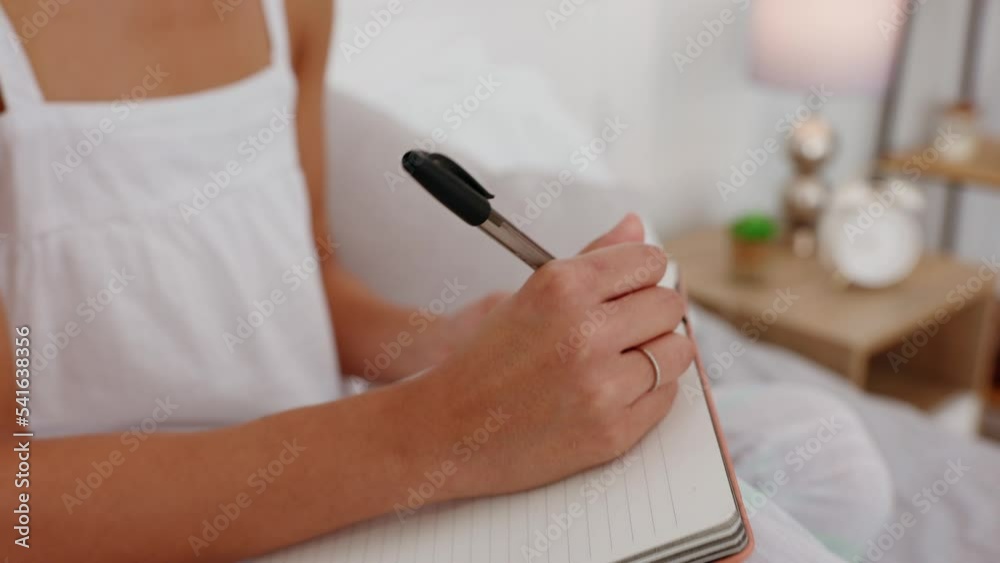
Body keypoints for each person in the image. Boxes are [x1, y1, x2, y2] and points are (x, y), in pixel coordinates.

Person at [0, 1, 890, 561]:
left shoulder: (290, 11)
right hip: (206, 517)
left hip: (362, 451)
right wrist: (435, 432)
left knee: (826, 447)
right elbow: (20, 510)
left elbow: (312, 281)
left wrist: (451, 344)